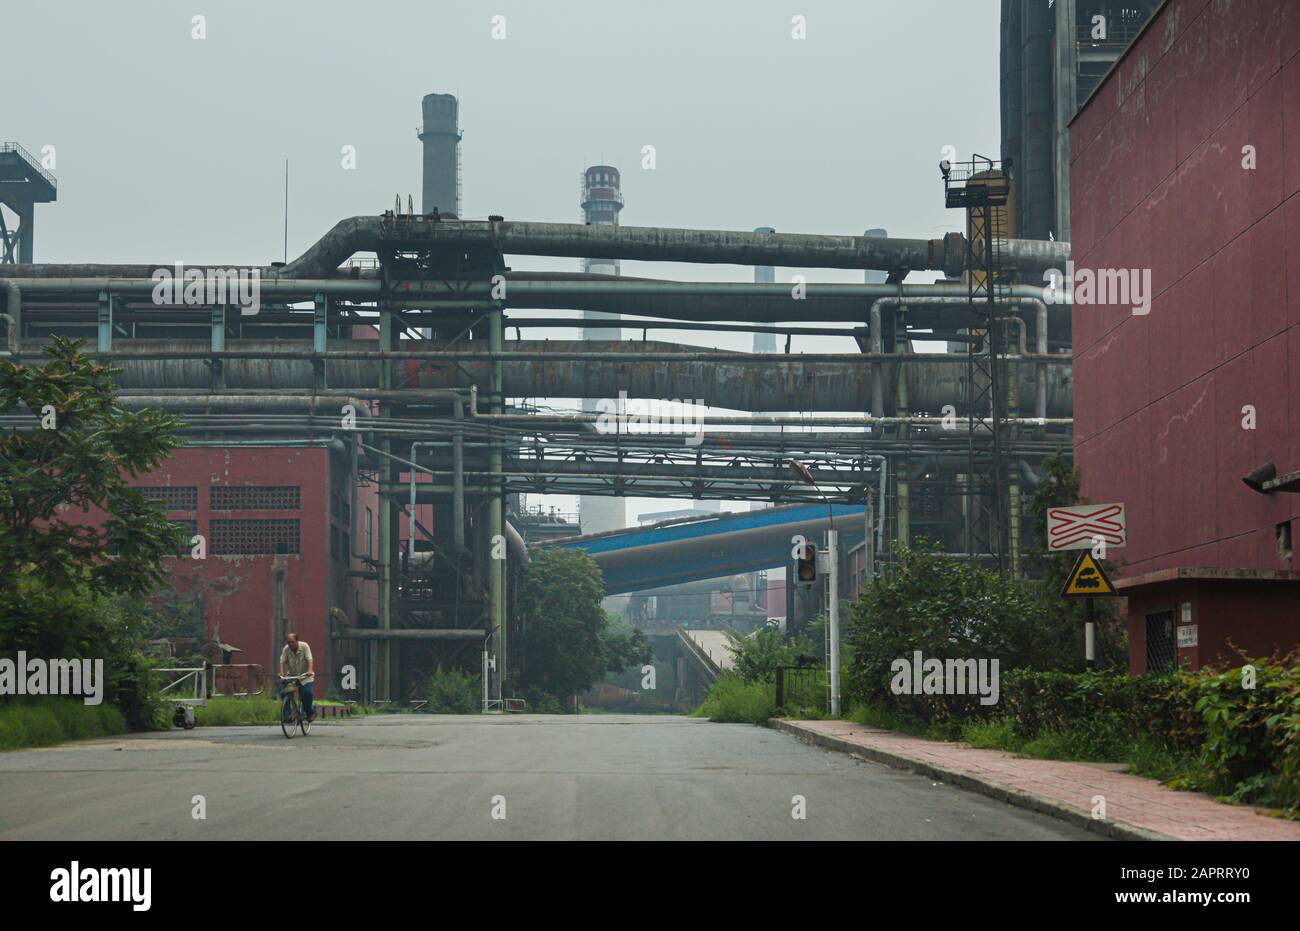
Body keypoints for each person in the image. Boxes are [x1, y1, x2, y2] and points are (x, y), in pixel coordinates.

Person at [278, 631, 315, 722]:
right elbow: (282, 661)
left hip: (305, 676)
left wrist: (309, 670)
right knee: (284, 693)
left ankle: (310, 713)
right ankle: (287, 716)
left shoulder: (304, 646)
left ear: (297, 641)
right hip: (292, 676)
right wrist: (282, 673)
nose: (290, 644)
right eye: (288, 642)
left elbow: (309, 659)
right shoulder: (286, 649)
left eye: (292, 642)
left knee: (307, 694)